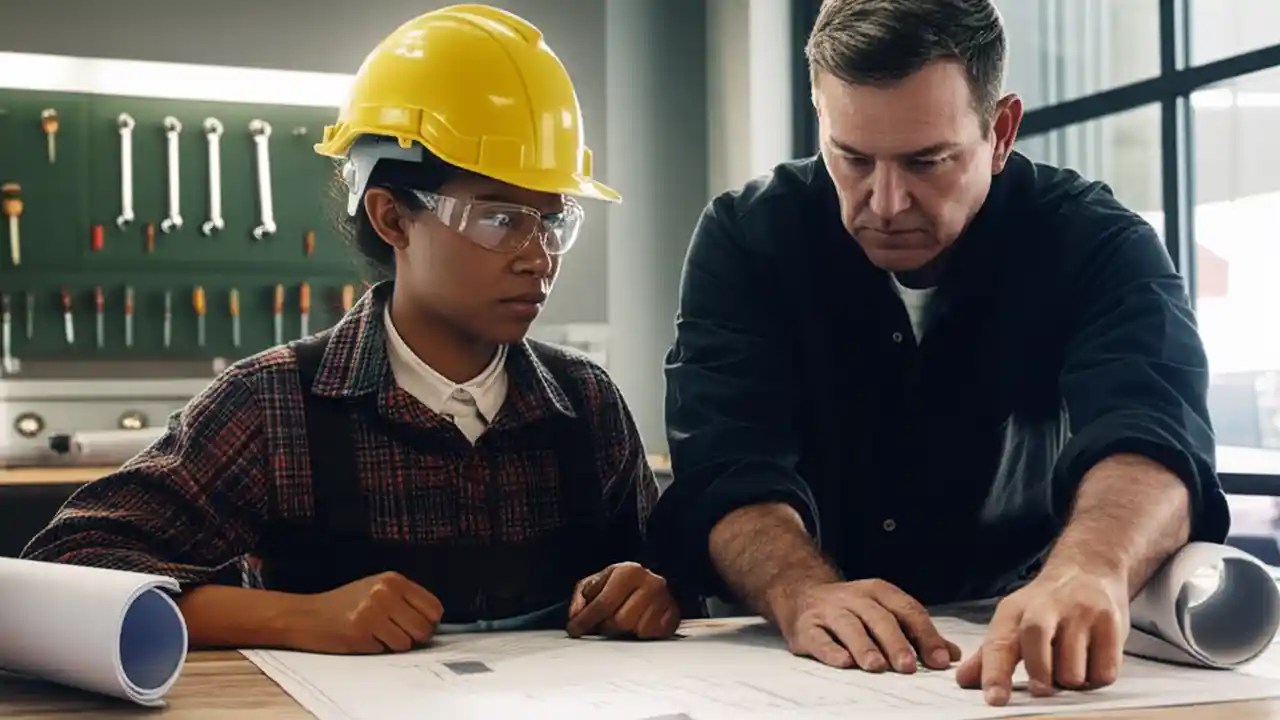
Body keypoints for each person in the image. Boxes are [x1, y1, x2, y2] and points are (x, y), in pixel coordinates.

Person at [22, 4, 679, 653]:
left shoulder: (586, 406)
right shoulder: (271, 406)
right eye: (500, 218)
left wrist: (653, 590)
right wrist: (295, 618)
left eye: (554, 222)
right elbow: (63, 573)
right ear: (393, 219)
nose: (538, 256)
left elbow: (672, 574)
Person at [651, 0, 1229, 707]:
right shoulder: (746, 238)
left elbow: (1150, 430)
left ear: (1001, 131)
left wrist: (1094, 568)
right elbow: (727, 463)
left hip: (1011, 641)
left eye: (928, 161)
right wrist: (800, 590)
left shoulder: (1097, 243)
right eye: (851, 158)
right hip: (792, 657)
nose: (886, 202)